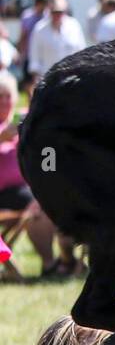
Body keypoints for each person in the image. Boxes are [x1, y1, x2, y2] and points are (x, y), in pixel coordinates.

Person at [0, 72, 77, 276]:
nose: (5, 101)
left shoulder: (27, 121)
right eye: (0, 96)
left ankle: (55, 263)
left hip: (30, 189)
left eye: (8, 96)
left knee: (49, 201)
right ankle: (56, 263)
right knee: (40, 202)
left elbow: (49, 157)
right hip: (4, 194)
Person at [27, 0, 86, 82]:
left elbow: (82, 52)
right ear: (49, 10)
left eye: (60, 12)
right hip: (48, 79)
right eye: (54, 12)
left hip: (71, 78)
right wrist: (36, 80)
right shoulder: (39, 29)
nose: (57, 15)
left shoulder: (74, 25)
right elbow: (34, 57)